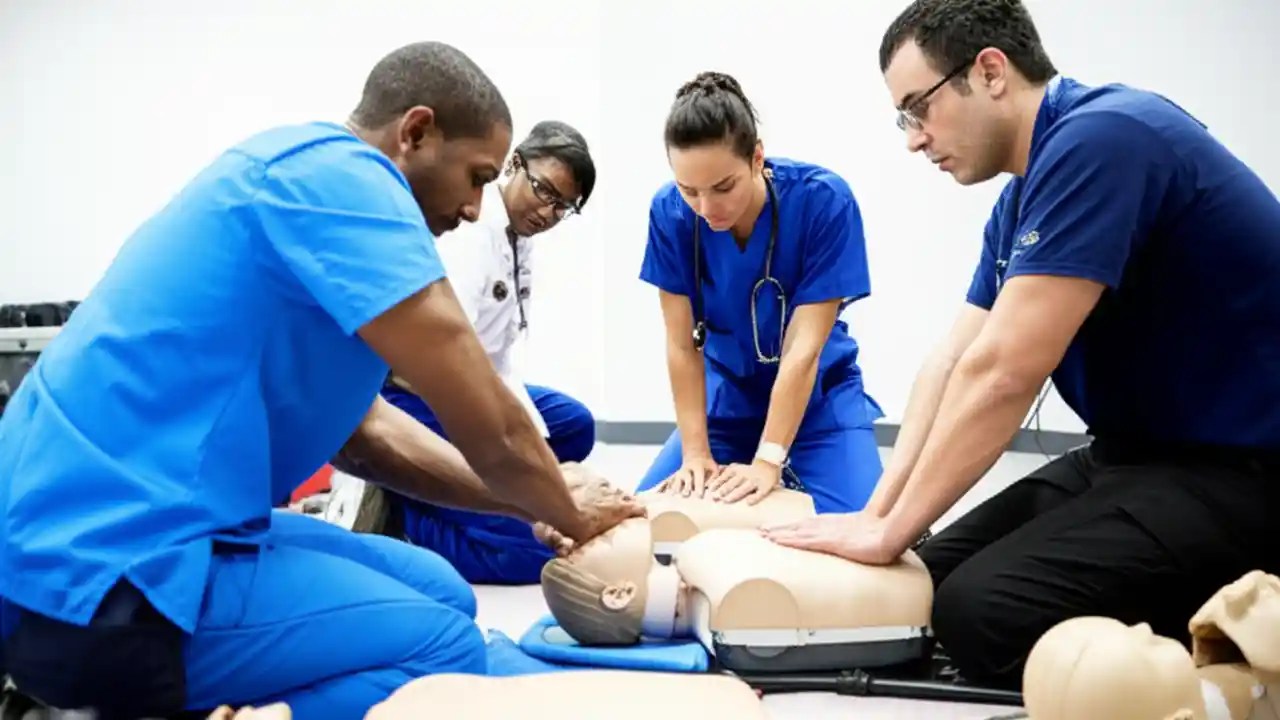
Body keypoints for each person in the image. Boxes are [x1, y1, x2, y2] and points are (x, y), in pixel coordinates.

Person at [0, 41, 642, 720]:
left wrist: (528, 504)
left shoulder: (302, 174)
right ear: (415, 132)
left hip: (144, 533)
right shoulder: (350, 184)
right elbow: (489, 414)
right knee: (446, 649)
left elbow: (365, 433)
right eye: (476, 177)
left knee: (443, 589)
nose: (477, 207)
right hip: (101, 584)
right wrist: (568, 510)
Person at [765, 0, 1280, 692]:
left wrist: (887, 534)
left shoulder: (1105, 140)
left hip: (1243, 475)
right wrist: (880, 516)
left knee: (983, 613)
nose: (915, 140)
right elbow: (954, 361)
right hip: (1136, 458)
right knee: (928, 578)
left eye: (919, 108)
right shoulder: (1023, 198)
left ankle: (1246, 631)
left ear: (990, 71)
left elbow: (1004, 371)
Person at [343, 121, 599, 585]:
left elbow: (497, 357)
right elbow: (438, 364)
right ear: (515, 164)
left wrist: (529, 447)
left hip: (474, 380)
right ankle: (408, 511)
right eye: (544, 191)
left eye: (564, 206)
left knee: (574, 424)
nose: (549, 211)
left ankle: (456, 482)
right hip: (417, 392)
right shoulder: (474, 235)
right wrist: (509, 457)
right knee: (529, 549)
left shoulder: (519, 238)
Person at [634, 71, 886, 515]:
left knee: (864, 524)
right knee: (654, 519)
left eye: (723, 187)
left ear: (756, 158)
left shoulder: (823, 201)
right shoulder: (670, 214)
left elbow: (803, 350)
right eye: (688, 190)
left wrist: (768, 460)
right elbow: (680, 343)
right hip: (726, 406)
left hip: (818, 404)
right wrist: (695, 452)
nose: (706, 209)